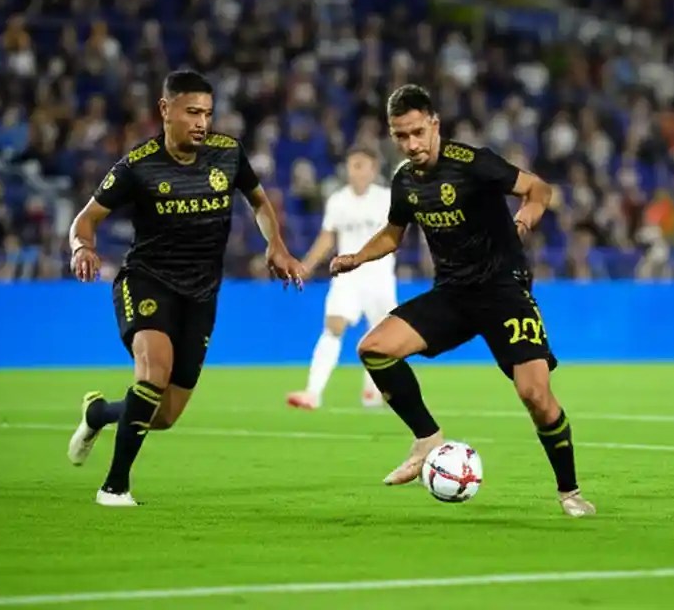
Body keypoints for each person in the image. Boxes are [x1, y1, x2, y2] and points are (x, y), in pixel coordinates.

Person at [329, 84, 595, 517]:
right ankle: (427, 440)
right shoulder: (404, 181)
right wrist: (358, 257)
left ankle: (570, 492)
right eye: (401, 136)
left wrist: (527, 216)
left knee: (535, 395)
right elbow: (394, 235)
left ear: (435, 124)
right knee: (374, 349)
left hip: (504, 291)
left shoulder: (473, 163)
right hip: (453, 294)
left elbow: (539, 189)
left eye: (417, 132)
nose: (411, 144)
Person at [66, 69, 304, 507]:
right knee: (153, 373)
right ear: (165, 110)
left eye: (208, 114)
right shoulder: (138, 166)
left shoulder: (228, 154)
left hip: (201, 294)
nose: (202, 122)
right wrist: (82, 247)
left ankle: (99, 413)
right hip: (146, 281)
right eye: (192, 112)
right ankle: (114, 486)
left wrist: (277, 246)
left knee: (166, 414)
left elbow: (258, 200)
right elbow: (86, 219)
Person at [287, 147, 395, 410]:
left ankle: (372, 389)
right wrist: (307, 266)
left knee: (381, 339)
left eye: (361, 165)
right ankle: (313, 393)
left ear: (373, 169)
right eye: (352, 165)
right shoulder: (338, 200)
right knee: (333, 327)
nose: (355, 171)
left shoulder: (387, 199)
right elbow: (328, 237)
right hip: (347, 278)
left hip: (379, 276)